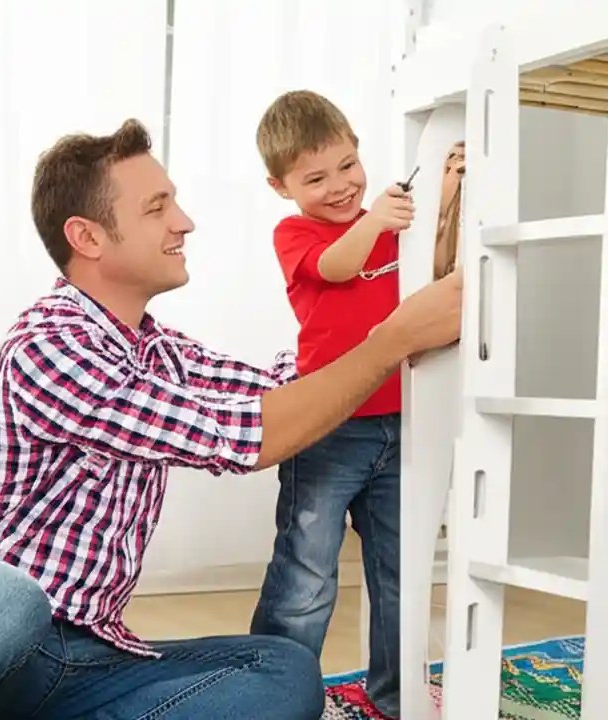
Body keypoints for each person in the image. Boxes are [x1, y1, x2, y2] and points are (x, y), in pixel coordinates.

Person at [0, 118, 461, 720]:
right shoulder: (50, 344)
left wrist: (434, 254)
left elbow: (290, 386)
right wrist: (393, 341)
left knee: (285, 670)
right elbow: (245, 438)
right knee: (2, 596)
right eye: (157, 208)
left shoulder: (157, 351)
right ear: (87, 236)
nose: (184, 222)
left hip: (87, 659)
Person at [247, 90, 411, 717]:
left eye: (347, 166)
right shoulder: (295, 232)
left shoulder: (390, 226)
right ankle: (267, 695)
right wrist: (375, 221)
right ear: (280, 185)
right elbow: (340, 267)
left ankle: (392, 699)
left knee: (397, 571)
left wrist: (447, 192)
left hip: (402, 424)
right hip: (329, 425)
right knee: (306, 572)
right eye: (316, 178)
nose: (341, 186)